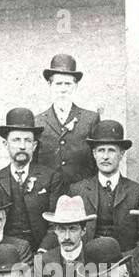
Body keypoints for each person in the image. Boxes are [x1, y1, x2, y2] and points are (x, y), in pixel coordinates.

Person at [0, 108, 64, 250]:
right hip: (6, 251)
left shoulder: (51, 178)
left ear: (34, 146)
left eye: (27, 140)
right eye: (16, 140)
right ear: (5, 144)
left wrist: (43, 251)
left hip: (42, 249)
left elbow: (56, 222)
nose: (22, 146)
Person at [68, 119, 139, 250]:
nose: (105, 156)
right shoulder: (78, 190)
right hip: (88, 262)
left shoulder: (137, 192)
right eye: (100, 150)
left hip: (124, 260)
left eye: (111, 150)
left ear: (121, 154)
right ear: (94, 154)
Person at [35, 53, 100, 186]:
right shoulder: (37, 122)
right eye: (58, 84)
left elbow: (97, 162)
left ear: (75, 86)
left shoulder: (90, 119)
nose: (63, 89)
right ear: (50, 85)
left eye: (68, 84)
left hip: (83, 195)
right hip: (47, 195)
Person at [32, 194, 92, 277]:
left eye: (73, 229)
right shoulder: (43, 261)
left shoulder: (94, 258)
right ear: (55, 230)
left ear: (84, 230)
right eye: (62, 229)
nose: (66, 237)